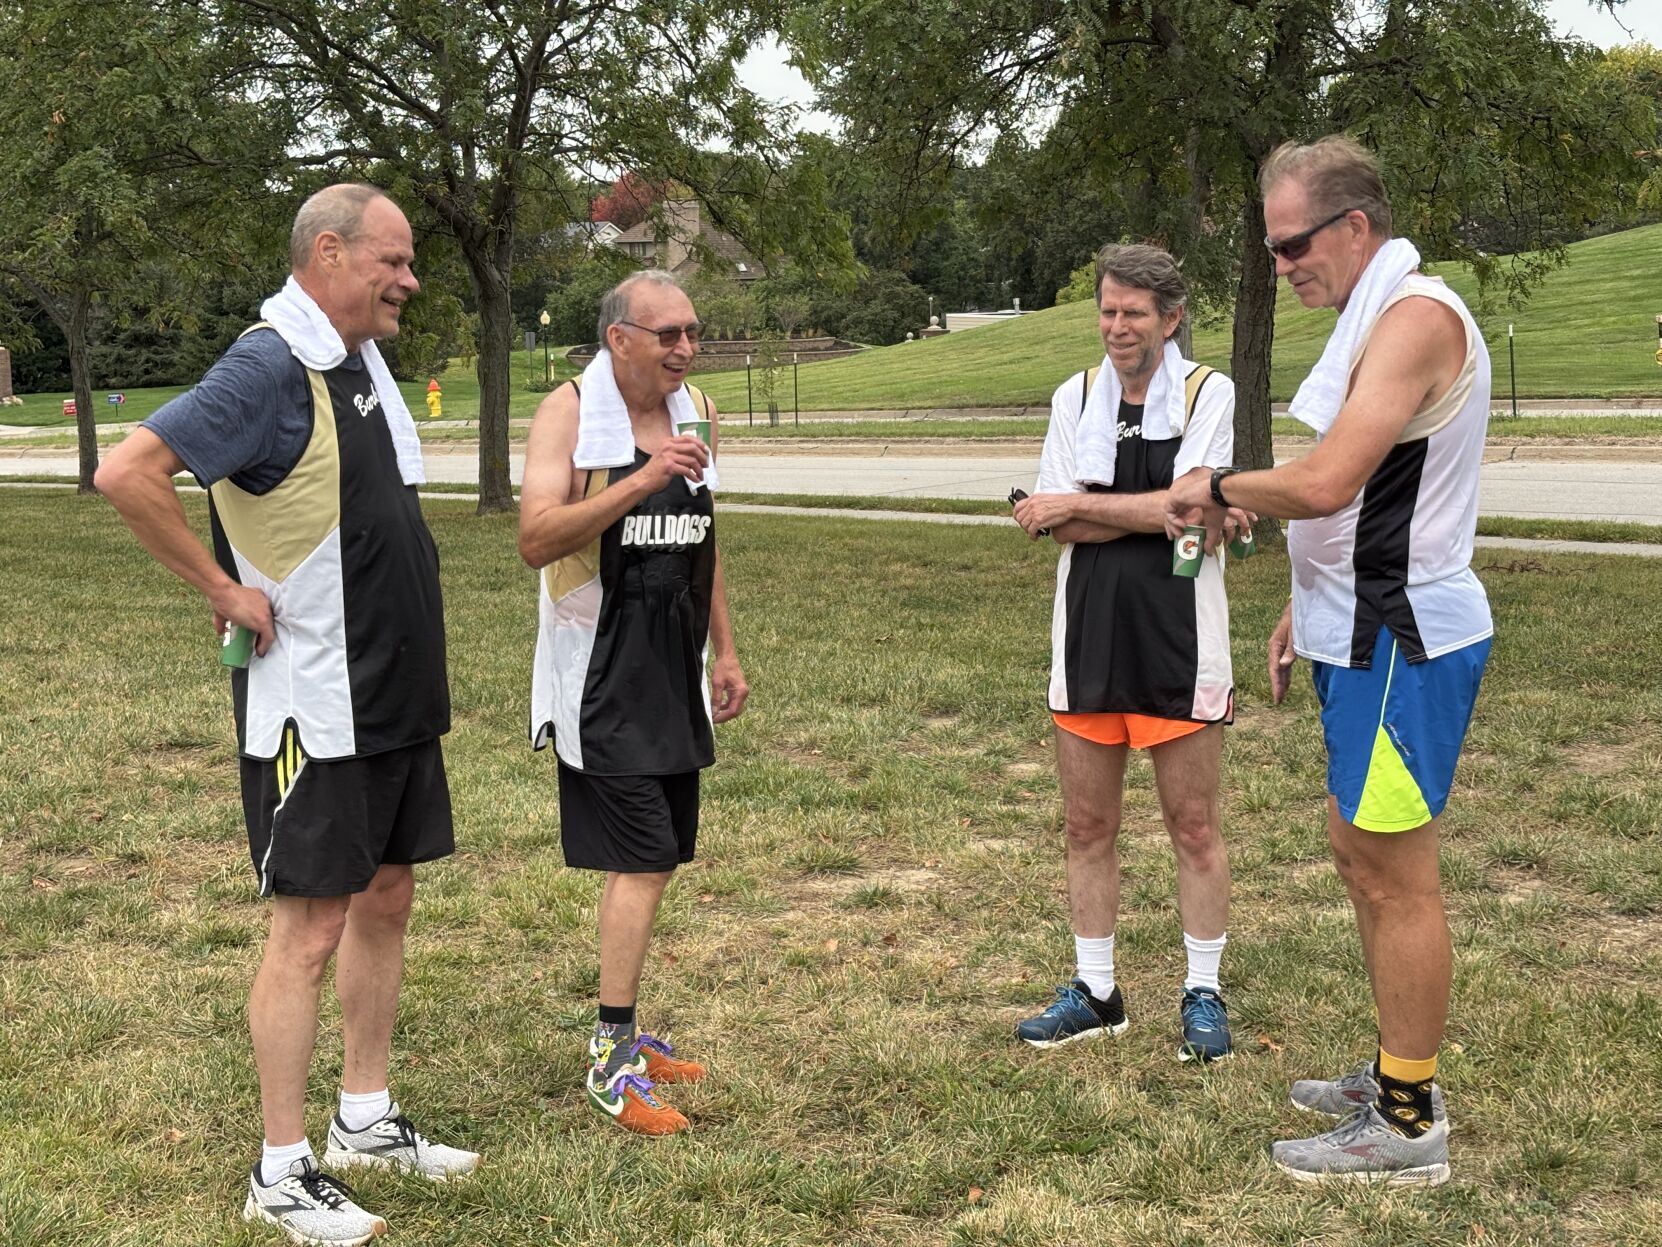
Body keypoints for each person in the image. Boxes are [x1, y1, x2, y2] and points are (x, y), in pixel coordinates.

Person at [96, 183, 478, 1246]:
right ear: (329, 250)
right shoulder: (269, 363)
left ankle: (363, 1118)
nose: (408, 280)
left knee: (387, 893)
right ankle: (280, 1166)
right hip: (317, 698)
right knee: (308, 926)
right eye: (392, 262)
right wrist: (223, 591)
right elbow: (126, 470)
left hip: (395, 693)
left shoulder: (356, 358)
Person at [1165, 135, 1492, 1186]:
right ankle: (1399, 1072)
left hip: (1402, 638)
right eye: (1270, 247)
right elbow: (1349, 504)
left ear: (1356, 226)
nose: (1282, 264)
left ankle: (1407, 1125)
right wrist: (1304, 608)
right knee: (1362, 859)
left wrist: (1213, 487)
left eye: (1293, 242)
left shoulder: (1415, 320)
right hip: (1356, 628)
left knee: (1393, 872)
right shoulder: (1378, 317)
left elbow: (1330, 481)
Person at [519, 270, 749, 1136]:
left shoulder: (699, 411)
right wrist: (639, 480)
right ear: (620, 338)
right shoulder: (571, 412)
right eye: (669, 335)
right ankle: (610, 1058)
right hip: (598, 673)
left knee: (663, 855)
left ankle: (626, 1032)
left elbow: (707, 535)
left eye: (693, 331)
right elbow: (535, 538)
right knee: (643, 857)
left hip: (674, 672)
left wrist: (724, 648)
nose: (687, 349)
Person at [1011, 243, 1245, 1063]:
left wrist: (1084, 503)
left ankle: (1203, 991)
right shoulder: (1073, 395)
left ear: (1170, 317)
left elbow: (1197, 514)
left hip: (1180, 637)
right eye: (1107, 311)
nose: (1116, 327)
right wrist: (1148, 509)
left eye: (1133, 313)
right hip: (1086, 637)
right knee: (1087, 824)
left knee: (1193, 824)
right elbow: (1052, 523)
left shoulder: (1207, 390)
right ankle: (1097, 991)